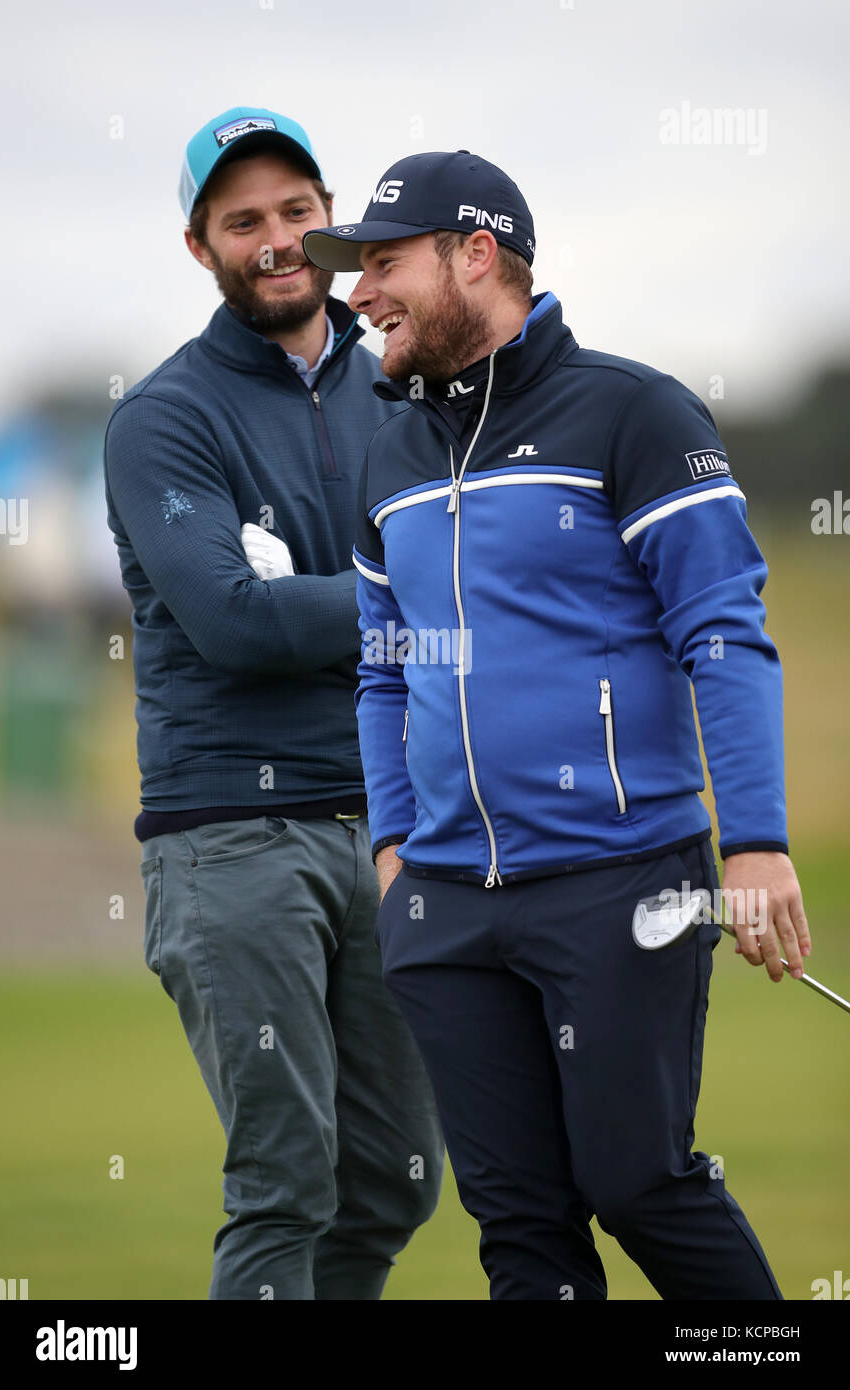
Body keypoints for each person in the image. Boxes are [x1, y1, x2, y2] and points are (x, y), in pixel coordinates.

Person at [302, 150, 811, 1301]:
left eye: (382, 264)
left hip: (622, 878)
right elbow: (385, 673)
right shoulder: (393, 451)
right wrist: (393, 848)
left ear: (474, 256)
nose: (359, 293)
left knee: (639, 1184)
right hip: (441, 900)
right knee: (521, 1225)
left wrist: (759, 840)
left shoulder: (633, 412)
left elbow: (723, 636)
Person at [103, 109, 444, 1301]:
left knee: (396, 1181)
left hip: (394, 829)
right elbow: (236, 625)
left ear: (331, 217)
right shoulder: (163, 418)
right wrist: (433, 607)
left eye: (298, 210)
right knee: (288, 1184)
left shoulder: (406, 387)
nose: (280, 237)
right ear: (201, 247)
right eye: (243, 219)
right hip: (232, 837)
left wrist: (339, 598)